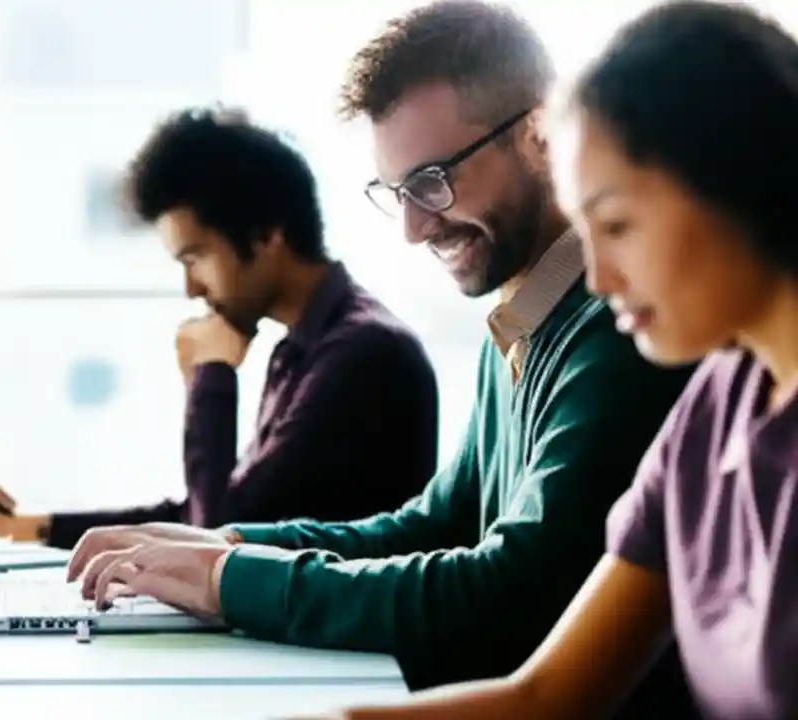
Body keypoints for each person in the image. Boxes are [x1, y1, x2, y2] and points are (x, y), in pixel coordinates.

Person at [65, 3, 699, 714]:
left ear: (540, 135)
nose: (411, 227)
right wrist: (224, 545)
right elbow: (437, 522)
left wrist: (228, 577)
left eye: (433, 181)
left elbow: (509, 592)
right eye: (398, 193)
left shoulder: (621, 333)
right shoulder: (521, 317)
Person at [319, 2, 798, 719]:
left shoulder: (632, 362)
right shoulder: (714, 405)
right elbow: (546, 696)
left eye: (617, 224)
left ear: (734, 182)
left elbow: (508, 598)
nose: (598, 278)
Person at [0, 107, 440, 550]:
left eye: (196, 257)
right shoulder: (304, 350)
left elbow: (215, 538)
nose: (190, 289)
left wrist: (210, 375)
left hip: (343, 653)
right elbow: (208, 512)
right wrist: (29, 526)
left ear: (267, 233)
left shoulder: (362, 354)